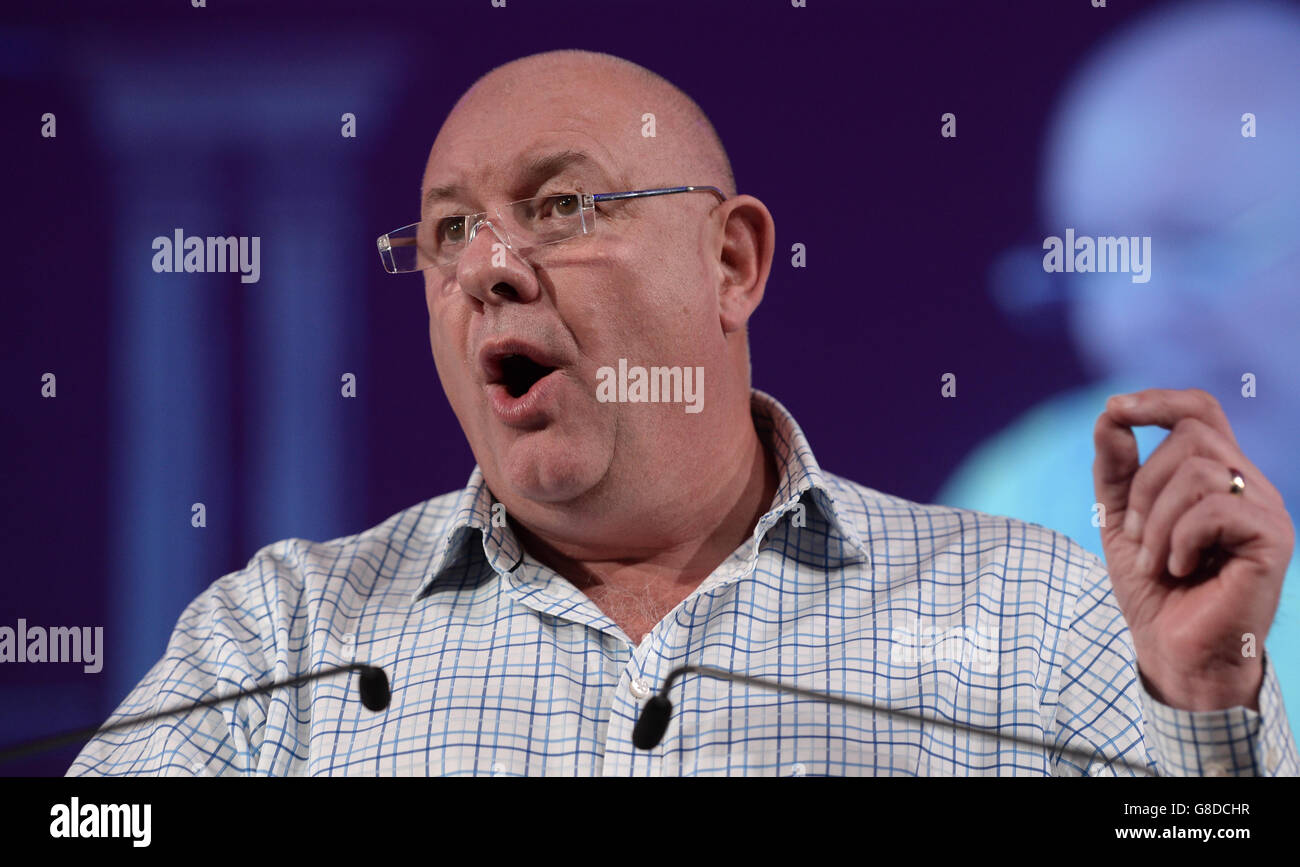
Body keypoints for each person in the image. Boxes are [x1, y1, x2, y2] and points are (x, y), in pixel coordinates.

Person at [69, 49, 1297, 776]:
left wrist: (1202, 717)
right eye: (448, 232)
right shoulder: (278, 636)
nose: (489, 267)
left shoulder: (1025, 607)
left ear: (732, 264)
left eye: (562, 210)